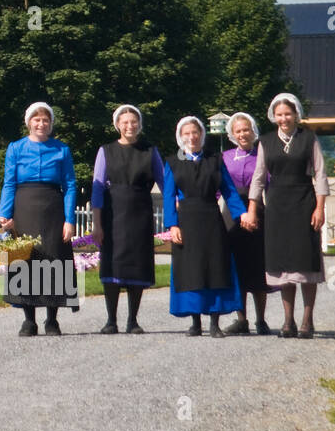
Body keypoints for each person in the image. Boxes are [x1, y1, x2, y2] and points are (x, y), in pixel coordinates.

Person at [244, 93, 329, 338]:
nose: (284, 118)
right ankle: (288, 320)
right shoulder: (266, 141)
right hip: (277, 207)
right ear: (274, 116)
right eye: (279, 114)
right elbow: (258, 178)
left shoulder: (308, 138)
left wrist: (320, 208)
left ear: (296, 114)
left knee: (305, 262)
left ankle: (307, 320)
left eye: (288, 114)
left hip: (304, 202)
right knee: (283, 266)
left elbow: (320, 175)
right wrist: (252, 208)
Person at [0, 101, 79, 336]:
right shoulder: (15, 148)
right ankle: (29, 320)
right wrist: (5, 214)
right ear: (29, 123)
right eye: (37, 119)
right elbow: (9, 183)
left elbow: (70, 185)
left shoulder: (62, 149)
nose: (41, 123)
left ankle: (52, 320)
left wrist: (69, 219)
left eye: (45, 120)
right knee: (26, 259)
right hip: (24, 207)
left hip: (54, 208)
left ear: (51, 124)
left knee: (54, 259)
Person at [163, 116, 247, 337]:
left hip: (211, 218)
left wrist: (242, 215)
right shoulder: (173, 162)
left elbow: (229, 190)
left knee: (215, 267)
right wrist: (172, 225)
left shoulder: (215, 159)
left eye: (195, 132)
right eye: (187, 133)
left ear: (202, 134)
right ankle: (195, 322)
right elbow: (169, 197)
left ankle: (214, 323)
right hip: (186, 222)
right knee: (191, 270)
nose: (192, 137)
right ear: (181, 137)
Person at [91, 104, 165, 334]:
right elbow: (98, 187)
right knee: (113, 263)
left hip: (140, 212)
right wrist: (97, 223)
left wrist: (178, 205)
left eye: (134, 121)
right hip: (113, 212)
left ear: (139, 124)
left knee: (138, 264)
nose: (130, 125)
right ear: (117, 125)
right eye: (125, 122)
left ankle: (133, 320)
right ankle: (111, 320)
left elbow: (164, 182)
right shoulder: (106, 150)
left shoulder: (150, 151)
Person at [222, 112, 270, 335]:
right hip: (232, 216)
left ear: (253, 131)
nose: (242, 134)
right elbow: (216, 186)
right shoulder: (225, 157)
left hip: (258, 213)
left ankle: (261, 320)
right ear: (232, 134)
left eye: (246, 129)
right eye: (238, 130)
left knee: (257, 267)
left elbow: (270, 185)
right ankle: (242, 319)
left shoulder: (263, 154)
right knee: (238, 267)